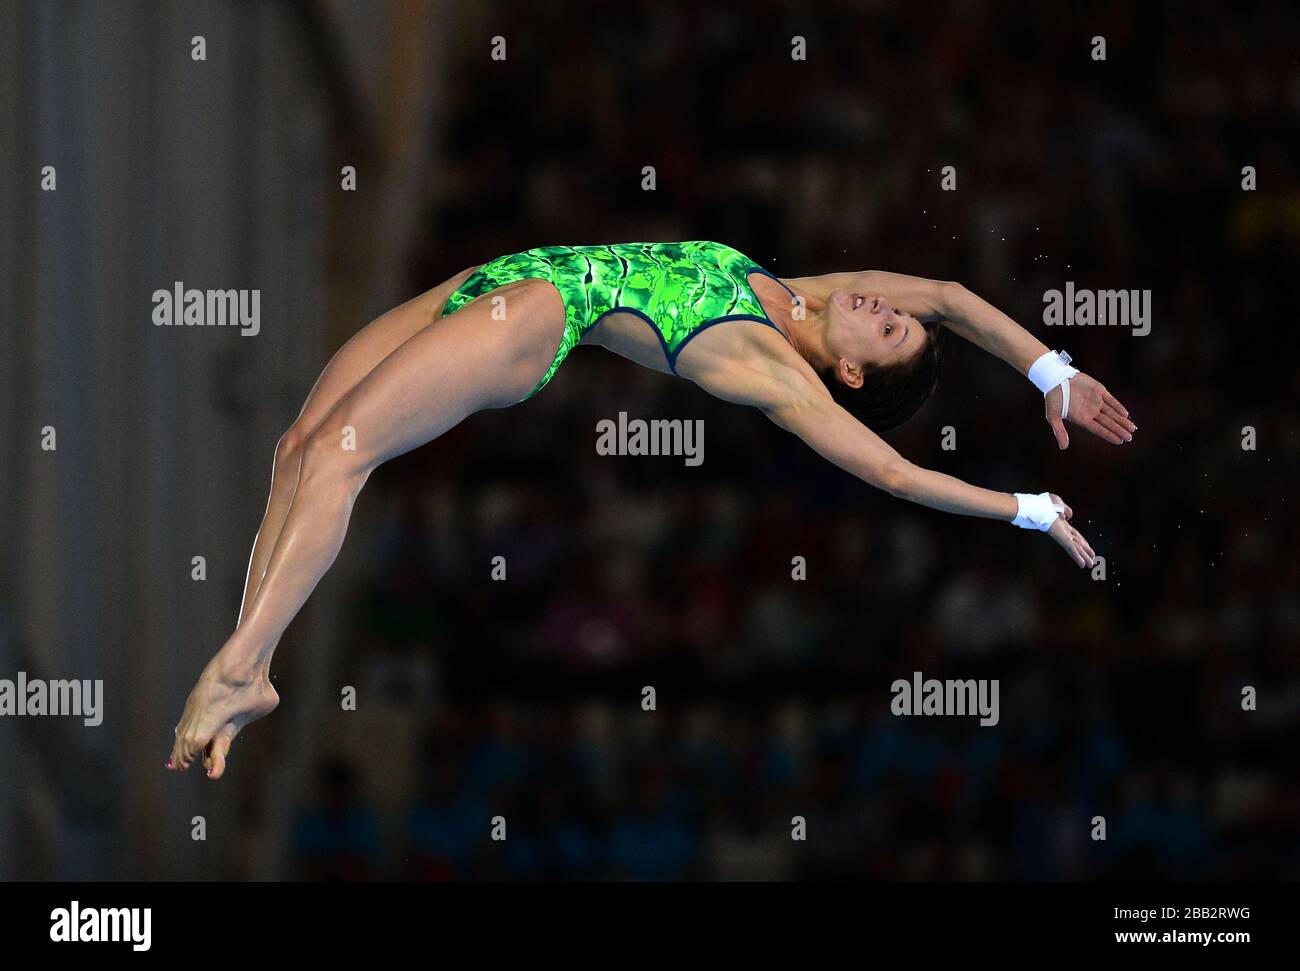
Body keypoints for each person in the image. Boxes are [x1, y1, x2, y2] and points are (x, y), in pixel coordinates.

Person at [166, 240, 1136, 778]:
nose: (883, 302)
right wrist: (1051, 368)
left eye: (882, 327)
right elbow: (953, 292)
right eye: (888, 311)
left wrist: (1026, 505)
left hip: (540, 315)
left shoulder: (778, 374)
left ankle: (246, 666)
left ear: (847, 370)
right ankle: (247, 662)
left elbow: (891, 475)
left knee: (343, 452)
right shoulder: (806, 293)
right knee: (298, 446)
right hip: (506, 271)